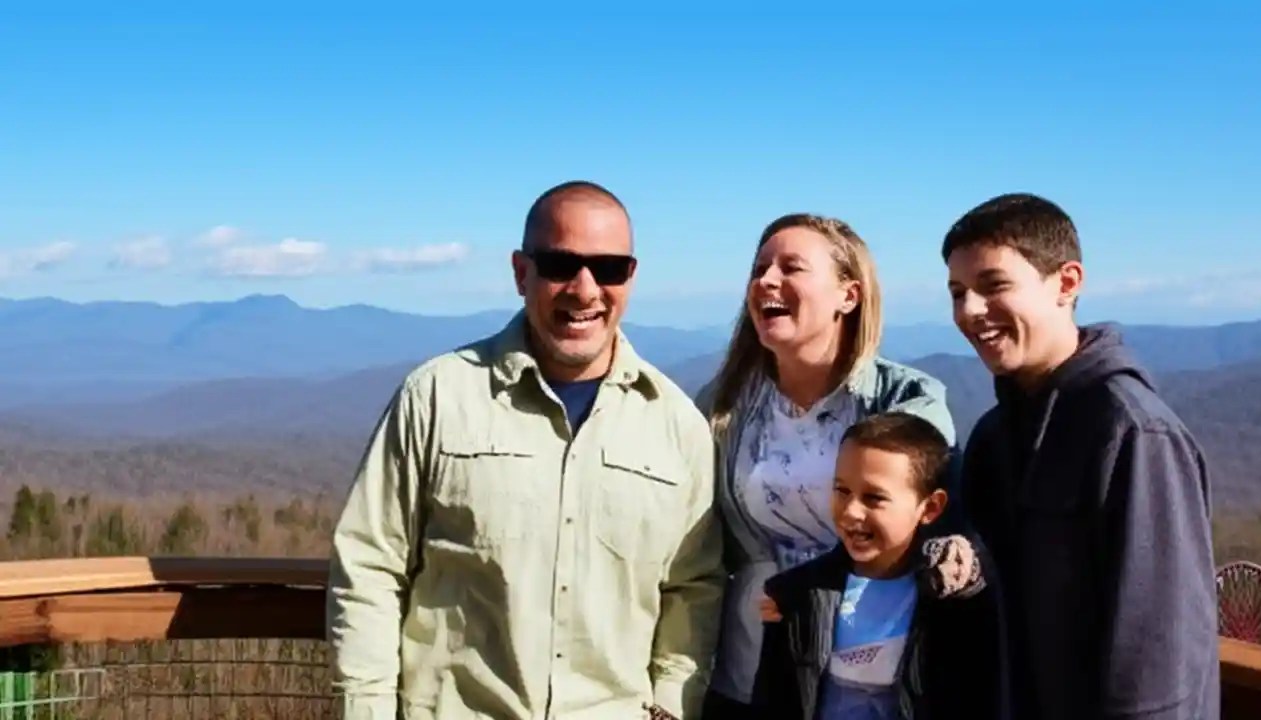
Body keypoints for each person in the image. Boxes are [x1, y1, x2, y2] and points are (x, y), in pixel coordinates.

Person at [327, 180, 725, 719]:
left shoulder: (678, 426)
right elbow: (370, 564)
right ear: (521, 272)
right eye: (562, 264)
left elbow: (692, 590)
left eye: (608, 269)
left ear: (630, 277)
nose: (585, 290)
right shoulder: (438, 397)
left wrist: (671, 708)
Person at [942, 192, 1219, 720]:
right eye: (957, 293)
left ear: (1066, 283)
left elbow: (1159, 662)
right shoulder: (993, 436)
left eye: (994, 285)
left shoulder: (1134, 434)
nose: (970, 312)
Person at [694, 213, 958, 717]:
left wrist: (803, 590)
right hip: (753, 669)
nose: (766, 280)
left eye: (791, 267)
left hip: (870, 675)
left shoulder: (907, 401)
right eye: (760, 267)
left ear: (848, 296)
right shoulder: (725, 406)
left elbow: (932, 522)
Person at [752, 412, 1008, 719]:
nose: (850, 512)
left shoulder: (953, 606)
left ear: (930, 507)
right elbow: (772, 700)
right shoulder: (796, 597)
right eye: (841, 490)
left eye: (874, 498)